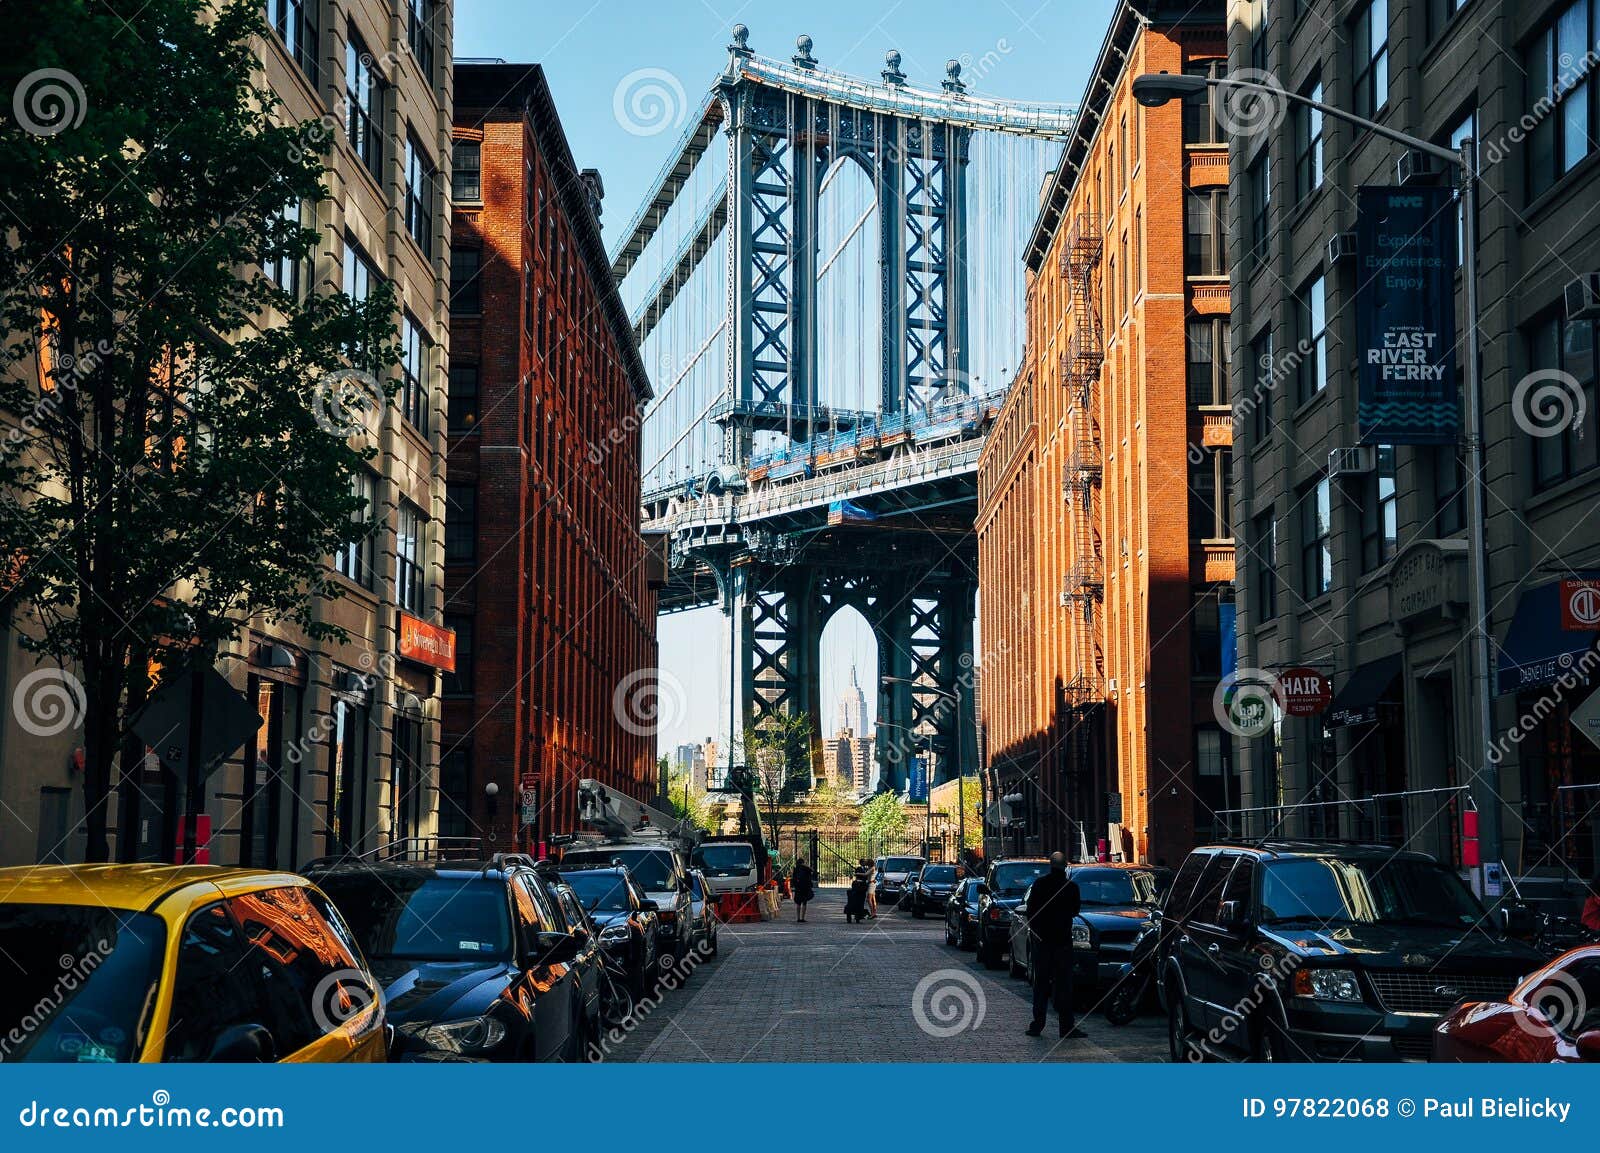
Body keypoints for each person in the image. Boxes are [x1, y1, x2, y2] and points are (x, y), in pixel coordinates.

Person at [1024, 851, 1084, 1039]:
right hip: (1062, 942)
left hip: (1043, 942)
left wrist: (1037, 933)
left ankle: (1037, 1024)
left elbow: (1030, 911)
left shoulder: (1039, 884)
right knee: (1064, 985)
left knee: (1041, 985)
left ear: (1050, 865)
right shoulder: (1071, 887)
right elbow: (1075, 911)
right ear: (1065, 866)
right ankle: (1066, 1026)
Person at [792, 858, 815, 923]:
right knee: (804, 902)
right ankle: (803, 918)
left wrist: (795, 885)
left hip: (798, 888)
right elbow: (812, 871)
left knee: (798, 903)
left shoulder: (796, 869)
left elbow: (793, 878)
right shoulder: (806, 868)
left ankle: (798, 918)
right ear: (803, 862)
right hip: (805, 888)